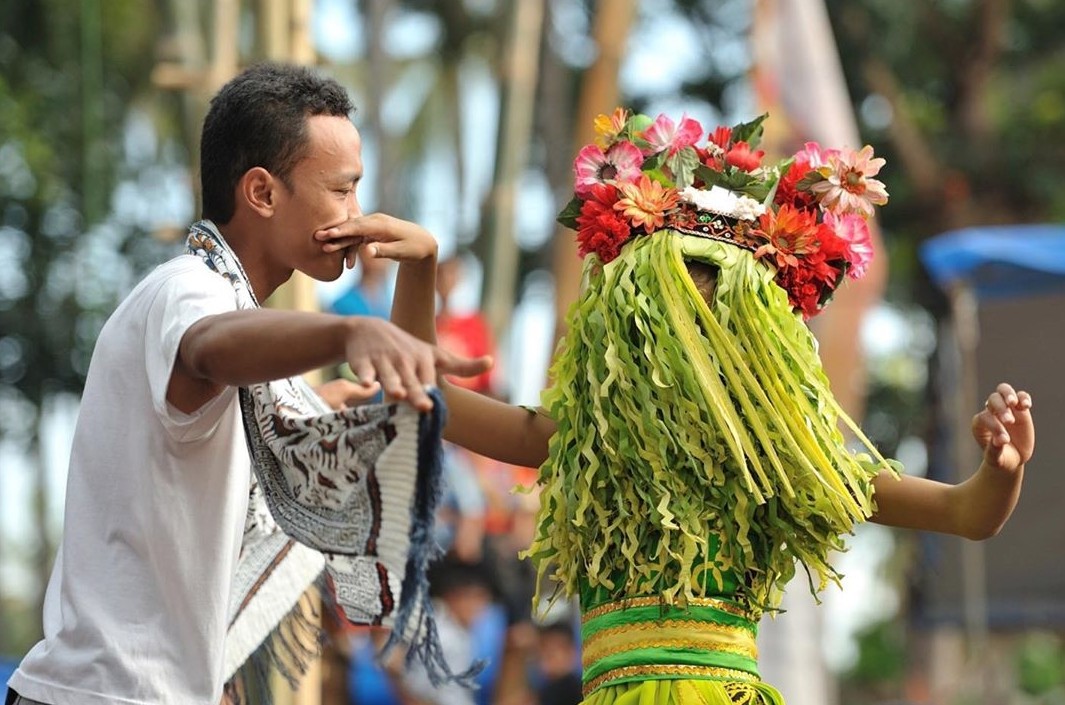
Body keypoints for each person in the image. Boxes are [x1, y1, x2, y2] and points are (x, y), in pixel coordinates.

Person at [348, 108, 1036, 704]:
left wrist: (1000, 467)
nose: (687, 347)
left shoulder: (783, 459)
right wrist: (423, 266)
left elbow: (963, 513)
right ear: (624, 327)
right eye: (666, 321)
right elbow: (421, 394)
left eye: (712, 325)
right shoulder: (583, 437)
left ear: (757, 344)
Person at [4, 63, 489, 705]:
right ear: (262, 193)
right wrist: (345, 336)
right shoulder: (187, 288)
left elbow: (419, 403)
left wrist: (422, 265)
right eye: (342, 190)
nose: (358, 215)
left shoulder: (261, 369)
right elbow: (208, 348)